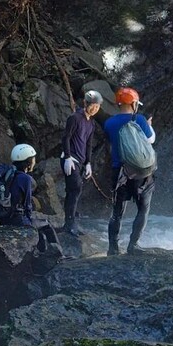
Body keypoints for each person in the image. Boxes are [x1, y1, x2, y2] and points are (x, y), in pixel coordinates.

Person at [102, 86, 156, 256]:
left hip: (120, 171)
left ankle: (113, 248)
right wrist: (148, 125)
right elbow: (151, 140)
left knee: (117, 212)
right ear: (134, 103)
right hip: (141, 173)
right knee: (143, 208)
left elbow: (110, 140)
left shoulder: (109, 123)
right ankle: (133, 245)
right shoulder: (139, 119)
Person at [0, 143, 62, 255]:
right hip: (17, 221)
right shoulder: (25, 178)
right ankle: (60, 255)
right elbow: (27, 205)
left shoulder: (7, 174)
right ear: (27, 162)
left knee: (40, 231)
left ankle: (42, 253)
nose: (34, 161)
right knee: (46, 225)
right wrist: (28, 223)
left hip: (4, 219)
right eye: (33, 159)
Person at [59, 89, 102, 238]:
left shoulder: (92, 123)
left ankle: (70, 223)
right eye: (92, 106)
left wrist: (88, 163)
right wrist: (67, 157)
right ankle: (70, 224)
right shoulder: (74, 118)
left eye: (97, 107)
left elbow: (89, 144)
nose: (95, 109)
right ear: (85, 103)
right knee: (75, 189)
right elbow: (66, 137)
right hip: (70, 159)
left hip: (81, 160)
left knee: (74, 191)